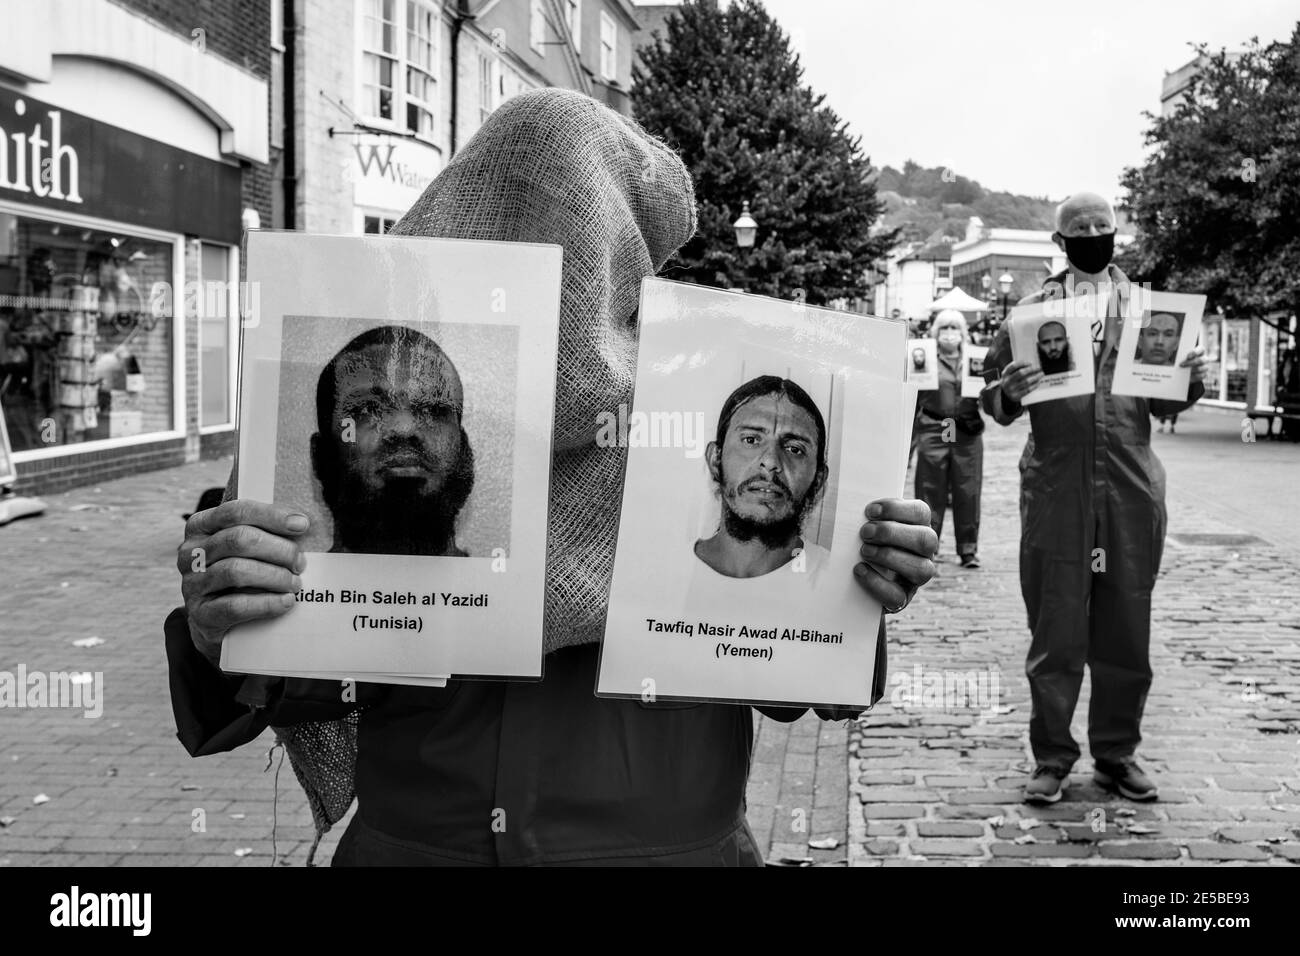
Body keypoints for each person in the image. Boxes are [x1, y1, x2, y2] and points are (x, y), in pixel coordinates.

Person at [165, 89, 939, 866]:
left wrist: (858, 580)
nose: (554, 273)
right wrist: (216, 624)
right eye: (511, 225)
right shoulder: (385, 445)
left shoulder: (689, 418)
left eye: (578, 239)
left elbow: (801, 682)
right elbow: (270, 681)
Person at [982, 191, 1207, 805]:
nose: (1090, 233)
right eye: (1077, 228)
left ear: (1117, 233)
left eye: (1100, 226)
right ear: (1059, 243)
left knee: (1126, 628)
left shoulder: (1150, 312)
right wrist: (1007, 388)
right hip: (1057, 489)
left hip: (1131, 490)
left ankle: (1116, 753)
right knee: (1056, 629)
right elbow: (995, 406)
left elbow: (1165, 401)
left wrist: (1192, 378)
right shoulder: (1029, 315)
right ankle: (1052, 756)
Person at [311, 325, 474, 557]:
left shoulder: (511, 592)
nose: (404, 429)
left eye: (434, 409)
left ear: (463, 449)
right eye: (368, 409)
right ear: (320, 456)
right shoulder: (286, 591)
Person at [695, 376, 829, 578]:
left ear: (818, 480)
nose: (770, 461)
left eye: (794, 449)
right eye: (751, 440)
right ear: (715, 460)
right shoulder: (659, 570)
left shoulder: (844, 582)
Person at [913, 310, 984, 569]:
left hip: (965, 432)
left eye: (954, 329)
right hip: (935, 427)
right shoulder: (925, 359)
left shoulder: (974, 358)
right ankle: (927, 545)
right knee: (931, 489)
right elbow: (914, 397)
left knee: (968, 489)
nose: (949, 334)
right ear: (936, 332)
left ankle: (968, 549)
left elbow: (988, 393)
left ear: (962, 332)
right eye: (945, 329)